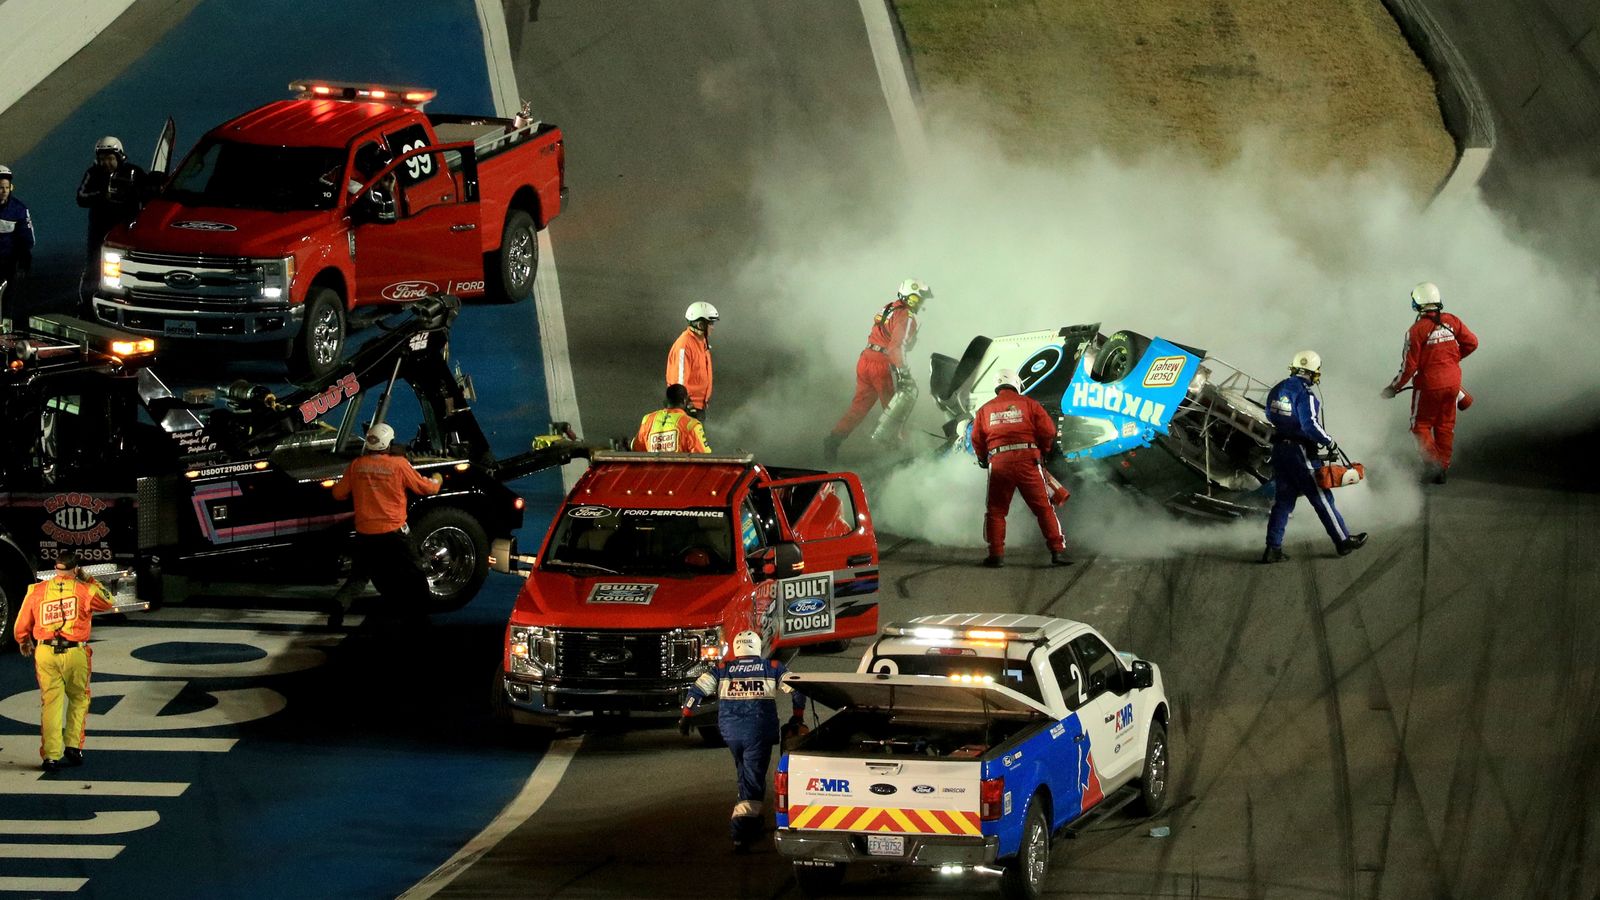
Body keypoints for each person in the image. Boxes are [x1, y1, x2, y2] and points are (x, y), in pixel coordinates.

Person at [678, 629, 806, 853]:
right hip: (758, 733)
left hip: (731, 734)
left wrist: (686, 716)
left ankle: (752, 822)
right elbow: (798, 689)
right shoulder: (772, 667)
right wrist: (797, 717)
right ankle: (740, 831)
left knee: (745, 775)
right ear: (757, 647)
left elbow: (697, 690)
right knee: (754, 783)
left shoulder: (722, 669)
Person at [327, 423, 443, 626]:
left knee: (359, 576)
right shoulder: (399, 465)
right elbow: (427, 488)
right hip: (394, 533)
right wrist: (437, 479)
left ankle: (339, 606)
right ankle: (422, 614)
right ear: (388, 443)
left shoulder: (357, 465)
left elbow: (338, 494)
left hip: (365, 534)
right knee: (415, 572)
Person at [12, 551, 116, 771]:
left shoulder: (37, 590)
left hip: (45, 652)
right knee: (79, 698)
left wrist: (23, 640)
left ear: (55, 568)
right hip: (75, 653)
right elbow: (109, 601)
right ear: (75, 569)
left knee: (51, 703)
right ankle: (73, 746)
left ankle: (51, 756)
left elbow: (21, 624)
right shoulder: (85, 590)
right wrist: (89, 579)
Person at [1263, 351, 1367, 563]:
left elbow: (1268, 414)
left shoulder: (1278, 388)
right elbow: (1310, 425)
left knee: (1283, 501)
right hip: (1300, 452)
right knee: (1322, 497)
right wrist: (1329, 441)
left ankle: (1272, 549)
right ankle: (1343, 541)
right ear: (1314, 373)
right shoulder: (1305, 394)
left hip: (1280, 450)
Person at [969, 369, 1069, 568]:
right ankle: (1057, 551)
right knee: (1043, 508)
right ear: (1017, 384)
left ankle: (996, 556)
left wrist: (982, 459)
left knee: (996, 511)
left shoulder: (984, 410)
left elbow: (976, 438)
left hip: (999, 462)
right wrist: (1043, 450)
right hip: (1028, 461)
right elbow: (1048, 430)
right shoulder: (1030, 404)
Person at [823, 278, 930, 462]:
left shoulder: (889, 307)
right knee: (896, 410)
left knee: (859, 407)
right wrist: (904, 372)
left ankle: (834, 439)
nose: (919, 302)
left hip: (865, 359)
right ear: (910, 297)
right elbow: (896, 347)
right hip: (881, 366)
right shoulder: (906, 317)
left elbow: (883, 335)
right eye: (917, 298)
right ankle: (901, 456)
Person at [1381, 282, 1479, 484]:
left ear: (1417, 304)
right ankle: (1443, 468)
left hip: (1428, 386)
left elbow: (1408, 367)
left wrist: (1393, 388)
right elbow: (1472, 343)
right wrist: (1450, 361)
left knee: (1420, 426)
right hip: (1453, 383)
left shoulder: (1416, 331)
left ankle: (1433, 465)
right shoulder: (1452, 321)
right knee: (1445, 426)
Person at [76, 136, 147, 308]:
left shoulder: (134, 172)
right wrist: (102, 195)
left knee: (126, 266)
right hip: (99, 231)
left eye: (110, 158)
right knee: (94, 267)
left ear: (119, 156)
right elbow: (81, 197)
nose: (106, 163)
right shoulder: (93, 173)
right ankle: (87, 304)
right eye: (102, 159)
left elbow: (149, 193)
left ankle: (128, 300)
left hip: (126, 230)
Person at [666, 302, 717, 421]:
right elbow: (679, 381)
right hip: (687, 409)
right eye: (711, 323)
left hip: (697, 407)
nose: (713, 327)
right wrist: (687, 405)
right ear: (700, 325)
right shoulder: (685, 345)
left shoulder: (701, 343)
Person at [633, 383, 712, 452]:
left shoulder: (647, 420)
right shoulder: (691, 425)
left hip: (653, 465)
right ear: (684, 401)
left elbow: (636, 448)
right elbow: (703, 456)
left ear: (667, 400)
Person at [0, 166, 35, 305]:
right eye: (1, 188)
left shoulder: (19, 209)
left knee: (6, 300)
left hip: (7, 264)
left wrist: (24, 261)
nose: (4, 191)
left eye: (7, 188)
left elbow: (27, 239)